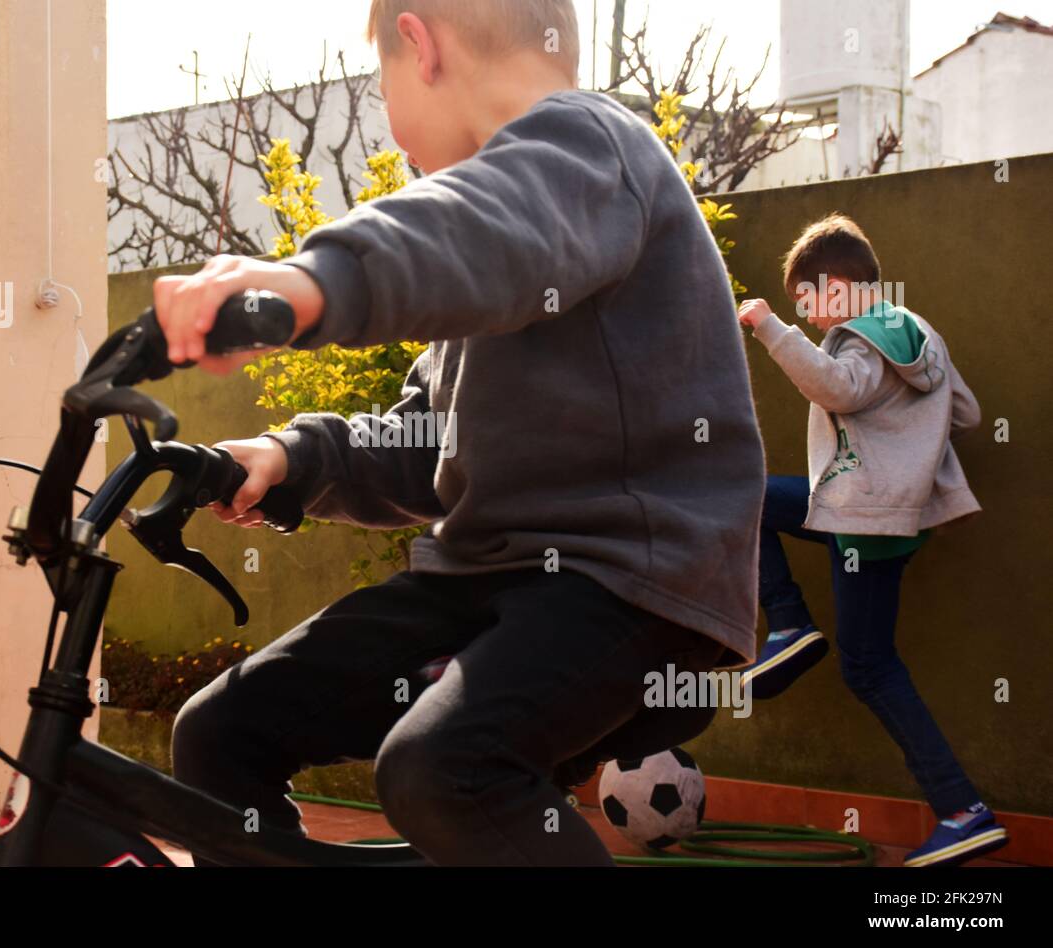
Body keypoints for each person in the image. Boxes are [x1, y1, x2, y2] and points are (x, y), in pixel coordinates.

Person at [155, 0, 766, 866]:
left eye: (380, 83)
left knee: (444, 768)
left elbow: (475, 228)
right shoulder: (505, 250)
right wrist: (296, 457)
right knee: (221, 731)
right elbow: (432, 439)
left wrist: (307, 282)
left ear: (420, 43)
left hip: (628, 579)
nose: (389, 123)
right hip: (488, 580)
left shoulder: (591, 148)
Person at [737, 213, 1008, 866]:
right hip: (877, 512)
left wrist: (769, 326)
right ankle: (791, 628)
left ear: (838, 287)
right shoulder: (918, 332)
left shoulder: (858, 335)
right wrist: (909, 449)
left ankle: (962, 810)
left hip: (863, 517)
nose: (810, 316)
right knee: (744, 500)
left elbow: (840, 387)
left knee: (869, 667)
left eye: (809, 299)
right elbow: (964, 414)